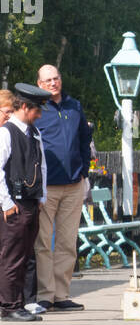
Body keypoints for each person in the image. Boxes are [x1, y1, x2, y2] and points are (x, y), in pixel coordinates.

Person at [33, 64, 91, 311]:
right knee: (44, 242)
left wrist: (84, 173)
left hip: (73, 185)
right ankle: (45, 295)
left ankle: (61, 294)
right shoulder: (37, 110)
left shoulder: (74, 106)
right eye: (47, 80)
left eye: (56, 78)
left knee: (68, 241)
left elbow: (84, 142)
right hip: (47, 186)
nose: (53, 83)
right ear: (39, 84)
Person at [0, 84, 50, 321]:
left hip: (31, 203)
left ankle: (18, 303)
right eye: (36, 110)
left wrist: (41, 197)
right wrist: (6, 202)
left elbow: (42, 165)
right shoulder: (6, 132)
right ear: (25, 107)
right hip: (14, 205)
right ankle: (9, 306)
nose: (39, 115)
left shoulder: (34, 133)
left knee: (25, 256)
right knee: (12, 257)